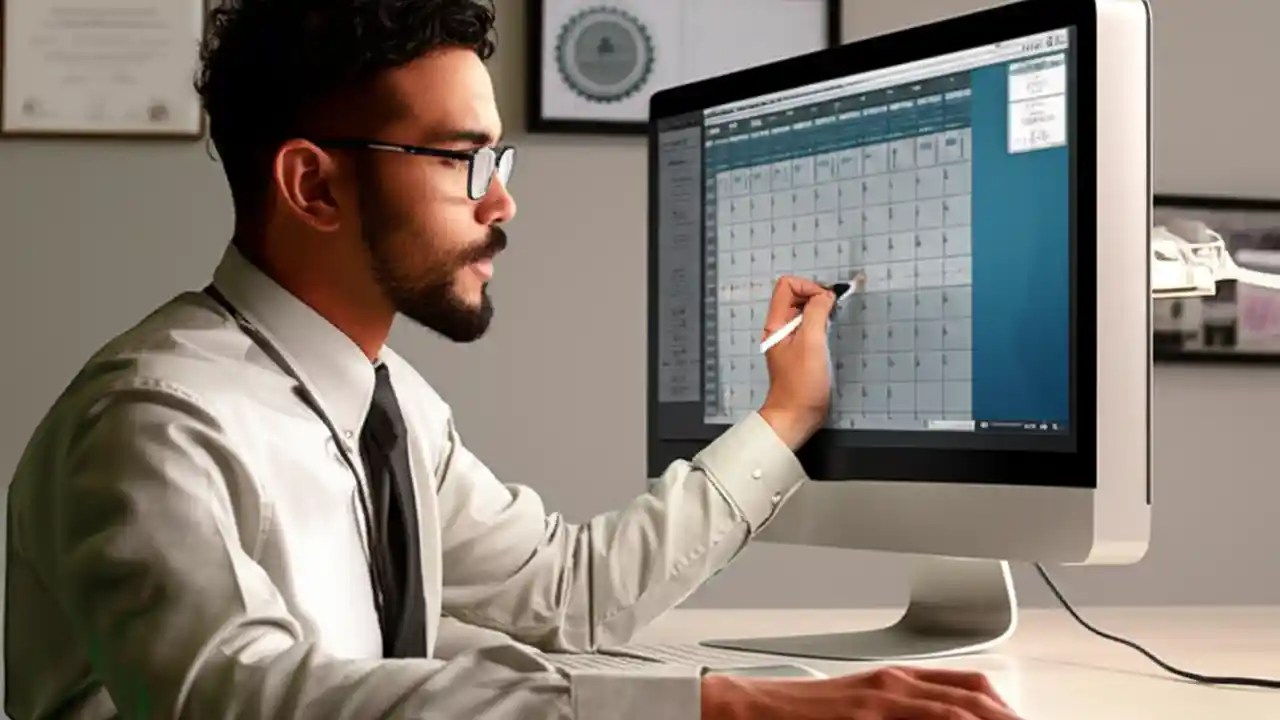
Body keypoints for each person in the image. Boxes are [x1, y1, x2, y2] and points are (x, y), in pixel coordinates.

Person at [3, 2, 1021, 718]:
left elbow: (566, 593)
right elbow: (251, 701)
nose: (502, 204)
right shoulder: (154, 421)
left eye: (499, 160)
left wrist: (781, 420)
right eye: (461, 162)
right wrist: (716, 708)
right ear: (312, 186)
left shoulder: (389, 406)